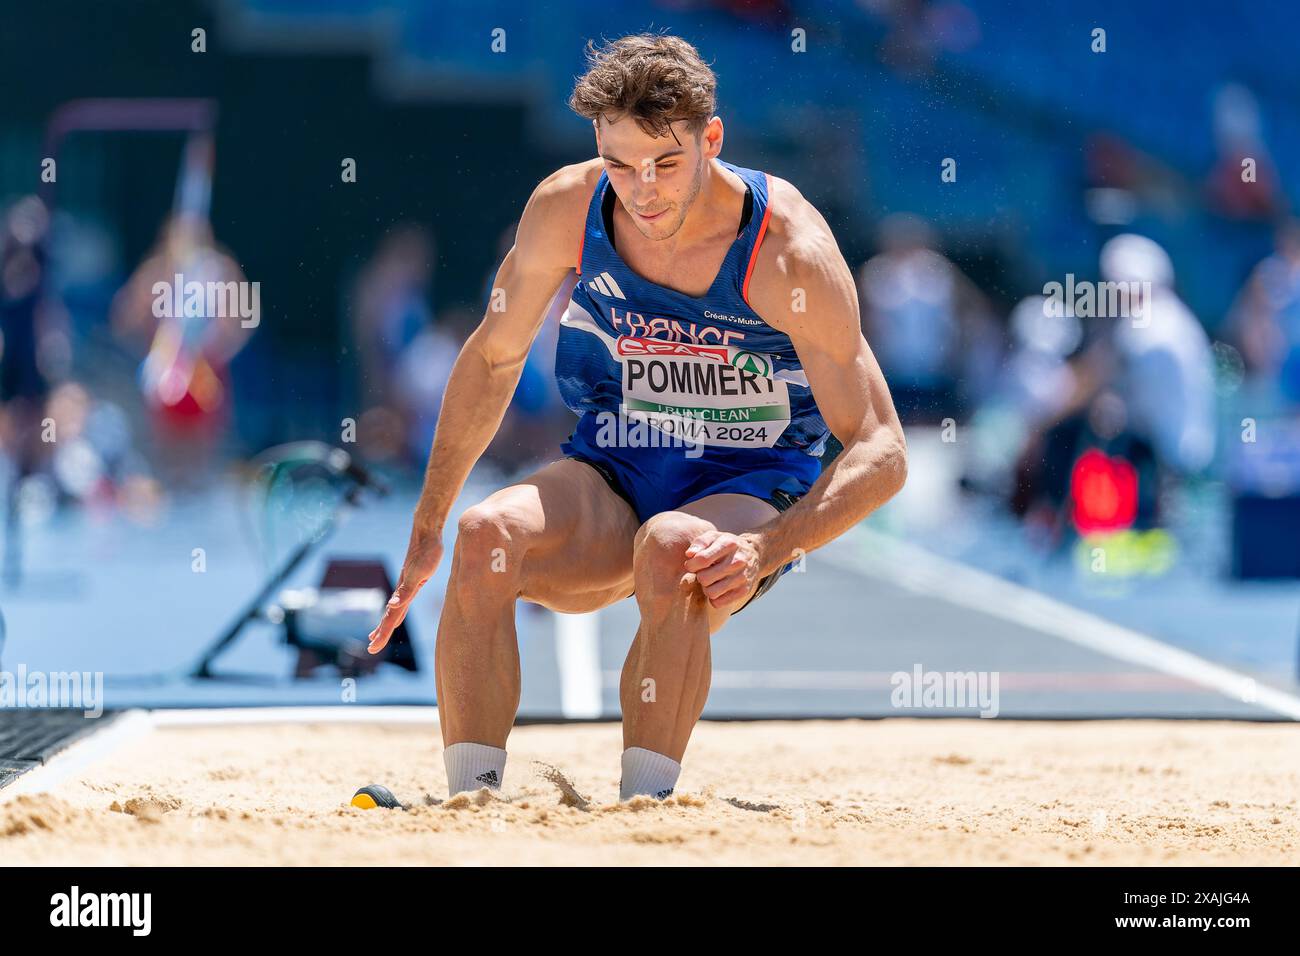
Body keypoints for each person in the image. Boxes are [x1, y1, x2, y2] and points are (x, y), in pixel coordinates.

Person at [366, 34, 907, 802]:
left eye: (665, 164)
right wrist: (428, 526)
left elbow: (883, 449)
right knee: (485, 535)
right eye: (620, 166)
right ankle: (470, 800)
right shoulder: (565, 207)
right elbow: (493, 359)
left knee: (674, 549)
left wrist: (766, 546)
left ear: (710, 138)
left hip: (747, 484)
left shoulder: (789, 252)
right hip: (617, 465)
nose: (642, 191)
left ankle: (644, 810)